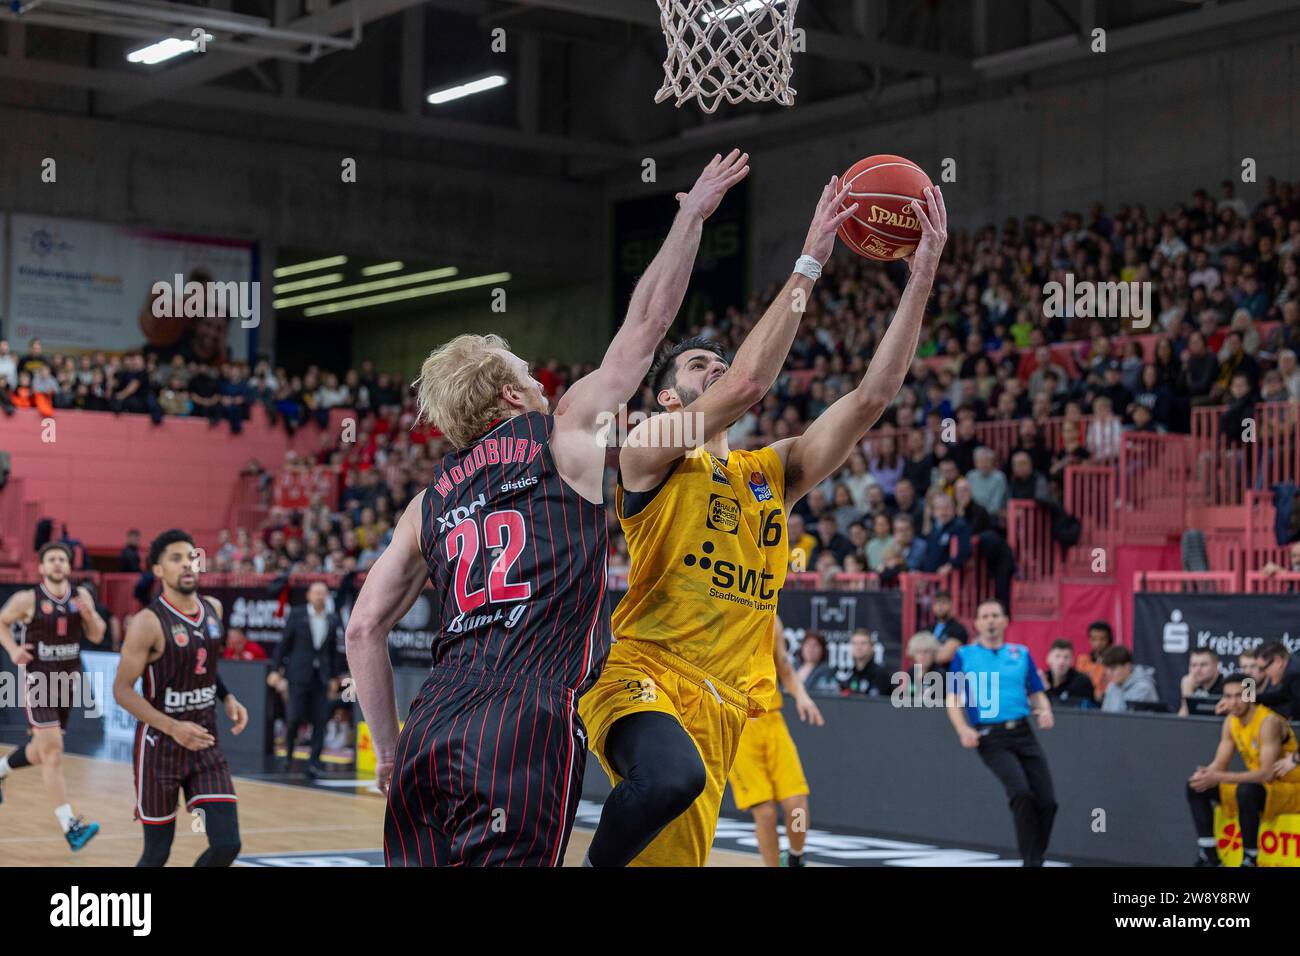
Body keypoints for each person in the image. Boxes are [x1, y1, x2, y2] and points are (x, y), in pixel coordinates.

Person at [346, 151, 752, 867]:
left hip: (431, 726)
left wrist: (387, 748)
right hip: (521, 720)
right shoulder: (563, 435)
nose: (540, 385)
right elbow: (647, 327)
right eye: (529, 379)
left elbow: (363, 627)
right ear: (509, 397)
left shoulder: (426, 501)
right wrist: (689, 217)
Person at [579, 181, 947, 867]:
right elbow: (748, 385)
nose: (715, 373)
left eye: (719, 364)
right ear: (667, 394)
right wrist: (809, 261)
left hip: (721, 704)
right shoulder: (646, 448)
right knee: (670, 777)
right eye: (698, 367)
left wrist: (920, 278)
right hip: (640, 670)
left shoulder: (770, 471)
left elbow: (872, 397)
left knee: (672, 819)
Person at [113, 529, 249, 866]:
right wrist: (173, 727)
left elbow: (205, 667)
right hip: (160, 748)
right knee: (157, 853)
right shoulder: (147, 623)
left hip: (204, 743)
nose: (187, 564)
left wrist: (227, 697)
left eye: (191, 557)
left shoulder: (213, 608)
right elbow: (122, 690)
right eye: (176, 559)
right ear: (158, 570)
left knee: (227, 845)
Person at [0, 543, 106, 849]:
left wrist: (90, 616)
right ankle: (70, 827)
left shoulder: (80, 597)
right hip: (38, 681)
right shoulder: (27, 598)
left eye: (63, 559)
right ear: (42, 567)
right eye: (52, 560)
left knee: (41, 750)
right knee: (54, 752)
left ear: (69, 567)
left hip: (68, 682)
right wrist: (13, 649)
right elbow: (2, 622)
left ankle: (1, 769)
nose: (58, 564)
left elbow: (98, 635)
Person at [946, 599, 1057, 866]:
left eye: (996, 615)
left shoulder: (1020, 653)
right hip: (990, 736)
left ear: (1005, 621)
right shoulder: (964, 655)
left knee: (1048, 801)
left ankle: (1035, 856)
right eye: (984, 616)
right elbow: (952, 698)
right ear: (976, 623)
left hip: (1022, 731)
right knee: (1020, 792)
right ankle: (1031, 862)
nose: (991, 620)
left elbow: (1037, 691)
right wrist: (963, 729)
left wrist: (1045, 710)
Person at [726, 616, 824, 867]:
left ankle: (796, 855)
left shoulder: (773, 620)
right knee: (765, 812)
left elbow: (785, 669)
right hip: (739, 725)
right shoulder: (722, 609)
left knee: (797, 804)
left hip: (773, 719)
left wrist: (802, 696)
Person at [1186, 673, 1300, 866]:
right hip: (1261, 786)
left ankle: (1250, 857)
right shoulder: (1231, 721)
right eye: (1228, 696)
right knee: (1196, 786)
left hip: (1289, 787)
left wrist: (1219, 776)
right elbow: (1219, 764)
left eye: (1239, 695)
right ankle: (1210, 855)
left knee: (1245, 791)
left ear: (1250, 695)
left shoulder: (1268, 722)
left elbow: (1266, 773)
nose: (1233, 702)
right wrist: (1206, 774)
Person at [269, 581, 343, 777]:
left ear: (327, 597)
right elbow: (284, 644)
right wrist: (276, 669)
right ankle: (288, 755)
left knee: (320, 720)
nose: (320, 596)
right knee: (294, 718)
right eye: (316, 593)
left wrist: (335, 677)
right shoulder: (297, 614)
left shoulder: (333, 619)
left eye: (323, 593)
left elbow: (334, 651)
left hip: (321, 677)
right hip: (298, 674)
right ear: (309, 595)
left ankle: (314, 763)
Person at [1100, 645, 1162, 712]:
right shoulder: (1111, 687)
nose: (1109, 673)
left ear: (1127, 667)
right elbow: (1105, 716)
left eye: (1113, 669)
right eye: (1107, 669)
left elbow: (1136, 721)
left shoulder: (1143, 689)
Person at [1039, 639, 1095, 707]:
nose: (1061, 662)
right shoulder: (1042, 679)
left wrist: (1047, 691)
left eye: (1066, 657)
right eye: (1057, 656)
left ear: (1072, 661)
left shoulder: (1081, 682)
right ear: (1048, 658)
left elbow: (1063, 709)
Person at [1255, 641, 1300, 719]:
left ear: (1278, 661)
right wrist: (1255, 699)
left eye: (1264, 668)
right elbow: (1282, 695)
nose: (1264, 674)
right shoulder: (1292, 663)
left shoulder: (1295, 675)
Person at [839, 629, 891, 696]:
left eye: (863, 643)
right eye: (855, 643)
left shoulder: (880, 675)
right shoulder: (849, 675)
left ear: (872, 647)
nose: (858, 647)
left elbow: (875, 703)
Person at [1075, 621, 1115, 703]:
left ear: (1109, 639)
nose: (1098, 643)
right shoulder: (1083, 660)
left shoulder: (1115, 663)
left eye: (1102, 639)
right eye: (1094, 639)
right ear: (1089, 639)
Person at [1178, 647, 1224, 716]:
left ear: (1216, 665)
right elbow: (1180, 723)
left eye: (1203, 665)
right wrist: (1187, 692)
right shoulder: (1191, 685)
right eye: (1193, 665)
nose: (1197, 670)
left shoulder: (1226, 687)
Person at [928, 589, 968, 664]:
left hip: (947, 672)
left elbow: (945, 656)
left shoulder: (958, 629)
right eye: (937, 603)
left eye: (943, 603)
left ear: (951, 604)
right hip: (926, 671)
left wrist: (924, 655)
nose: (940, 606)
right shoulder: (928, 628)